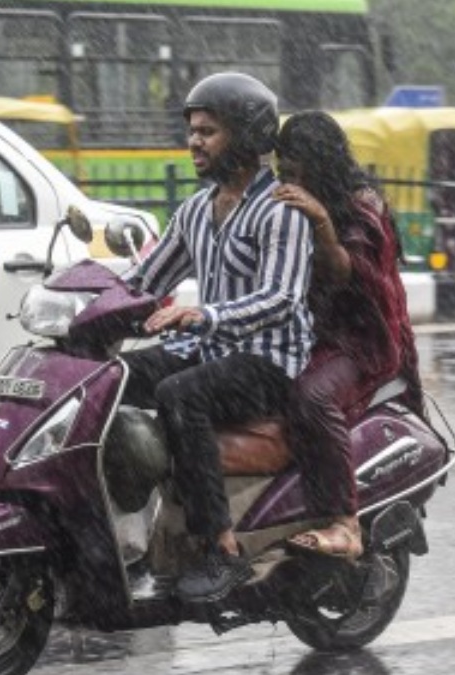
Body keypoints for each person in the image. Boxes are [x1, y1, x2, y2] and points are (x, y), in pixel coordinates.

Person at [122, 72, 314, 603]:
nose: (194, 142)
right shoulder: (195, 211)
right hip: (211, 350)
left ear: (246, 136)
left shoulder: (280, 209)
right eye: (192, 131)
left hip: (268, 361)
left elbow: (281, 299)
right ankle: (130, 538)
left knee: (180, 394)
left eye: (208, 131)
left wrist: (202, 315)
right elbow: (142, 282)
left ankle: (220, 548)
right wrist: (81, 299)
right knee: (111, 381)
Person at [271, 110, 426, 560]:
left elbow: (349, 274)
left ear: (320, 163)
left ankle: (344, 522)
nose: (288, 179)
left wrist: (321, 221)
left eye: (295, 169)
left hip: (361, 340)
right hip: (311, 332)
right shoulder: (292, 200)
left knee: (312, 398)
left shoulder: (361, 205)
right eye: (282, 170)